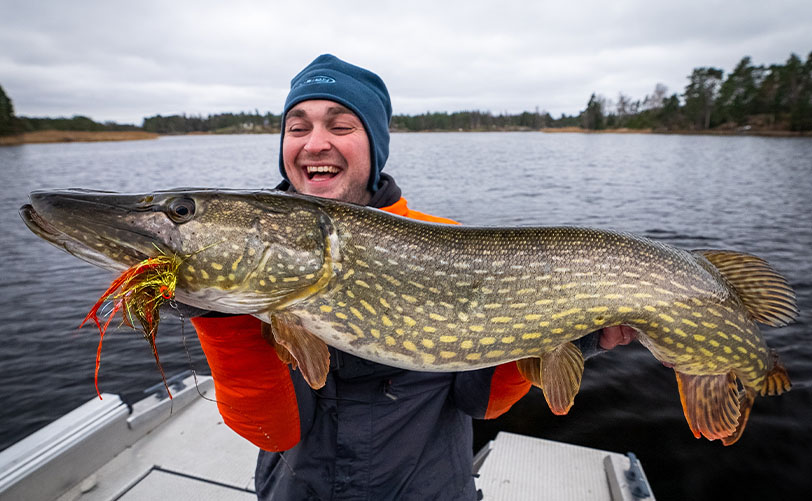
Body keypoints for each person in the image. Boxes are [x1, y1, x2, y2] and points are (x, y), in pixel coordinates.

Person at [190, 54, 635, 500]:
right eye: (297, 127)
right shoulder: (257, 259)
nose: (315, 143)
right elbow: (273, 431)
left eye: (340, 126)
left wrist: (560, 333)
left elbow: (482, 401)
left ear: (374, 145)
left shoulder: (449, 242)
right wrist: (214, 311)